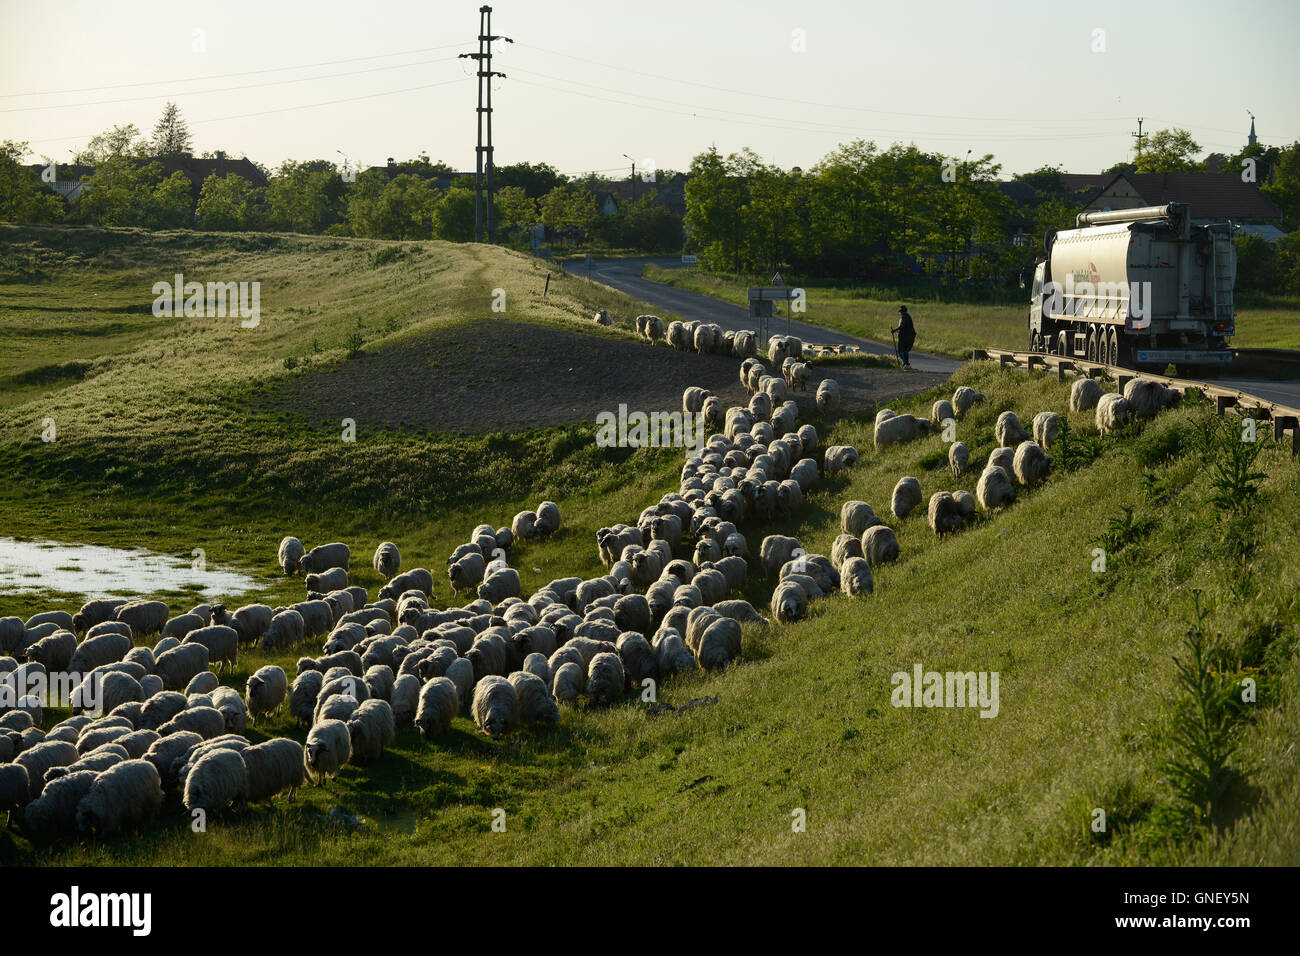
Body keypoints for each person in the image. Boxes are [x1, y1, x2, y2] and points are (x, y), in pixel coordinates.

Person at [893, 305, 916, 369]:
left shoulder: (904, 316)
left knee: (901, 351)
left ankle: (906, 364)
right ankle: (905, 364)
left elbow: (902, 326)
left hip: (905, 336)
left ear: (903, 311)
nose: (900, 313)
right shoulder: (907, 316)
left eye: (901, 311)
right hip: (908, 336)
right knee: (903, 351)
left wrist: (894, 330)